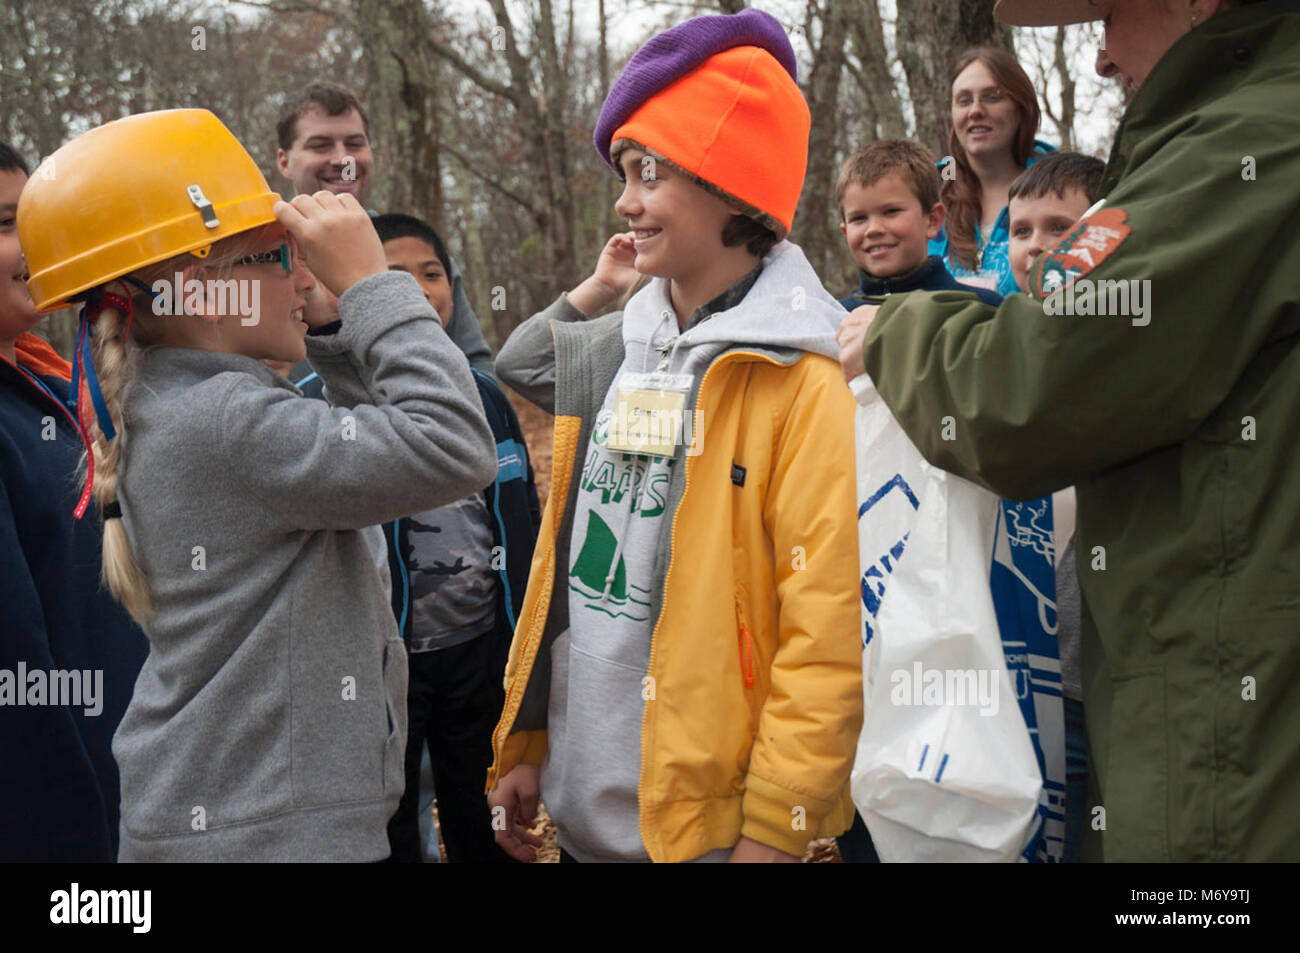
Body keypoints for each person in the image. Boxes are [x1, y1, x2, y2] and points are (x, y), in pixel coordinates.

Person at [839, 0, 1299, 861]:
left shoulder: (1241, 149)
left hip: (1229, 743)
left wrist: (896, 335)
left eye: (1110, 13)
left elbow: (1037, 384)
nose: (1098, 57)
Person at [19, 108, 496, 861]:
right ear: (200, 285)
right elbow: (453, 447)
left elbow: (369, 468)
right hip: (266, 833)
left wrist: (337, 335)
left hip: (246, 820)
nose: (306, 275)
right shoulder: (223, 420)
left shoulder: (182, 402)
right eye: (283, 256)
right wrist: (375, 286)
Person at [487, 8, 862, 863]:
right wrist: (531, 739)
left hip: (715, 837)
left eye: (648, 171)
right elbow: (567, 578)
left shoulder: (807, 383)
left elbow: (828, 629)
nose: (625, 201)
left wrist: (779, 824)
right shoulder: (615, 351)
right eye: (624, 173)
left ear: (731, 185)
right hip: (584, 814)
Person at [368, 212, 541, 863]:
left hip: (480, 648)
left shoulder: (488, 396)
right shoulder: (333, 396)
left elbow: (521, 508)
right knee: (393, 816)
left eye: (432, 272)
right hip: (387, 666)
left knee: (482, 807)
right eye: (392, 276)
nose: (418, 288)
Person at [0, 141, 148, 862]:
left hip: (123, 782)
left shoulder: (51, 387)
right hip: (59, 822)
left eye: (31, 219)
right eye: (5, 224)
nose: (30, 244)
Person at [1006, 150, 1105, 862]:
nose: (1037, 246)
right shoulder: (983, 346)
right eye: (1021, 230)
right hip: (1006, 666)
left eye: (1059, 227)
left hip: (1088, 673)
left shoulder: (1125, 333)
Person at [275, 81, 495, 377]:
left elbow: (477, 368)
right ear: (284, 161)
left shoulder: (414, 249)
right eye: (320, 145)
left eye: (354, 144)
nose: (344, 159)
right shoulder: (252, 258)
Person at [930, 46, 1054, 296]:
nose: (975, 110)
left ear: (1022, 108)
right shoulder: (929, 190)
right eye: (964, 100)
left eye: (992, 96)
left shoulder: (1065, 187)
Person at [837, 139, 1002, 311]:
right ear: (845, 231)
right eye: (859, 218)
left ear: (932, 220)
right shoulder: (835, 317)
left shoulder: (982, 307)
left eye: (891, 212)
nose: (873, 229)